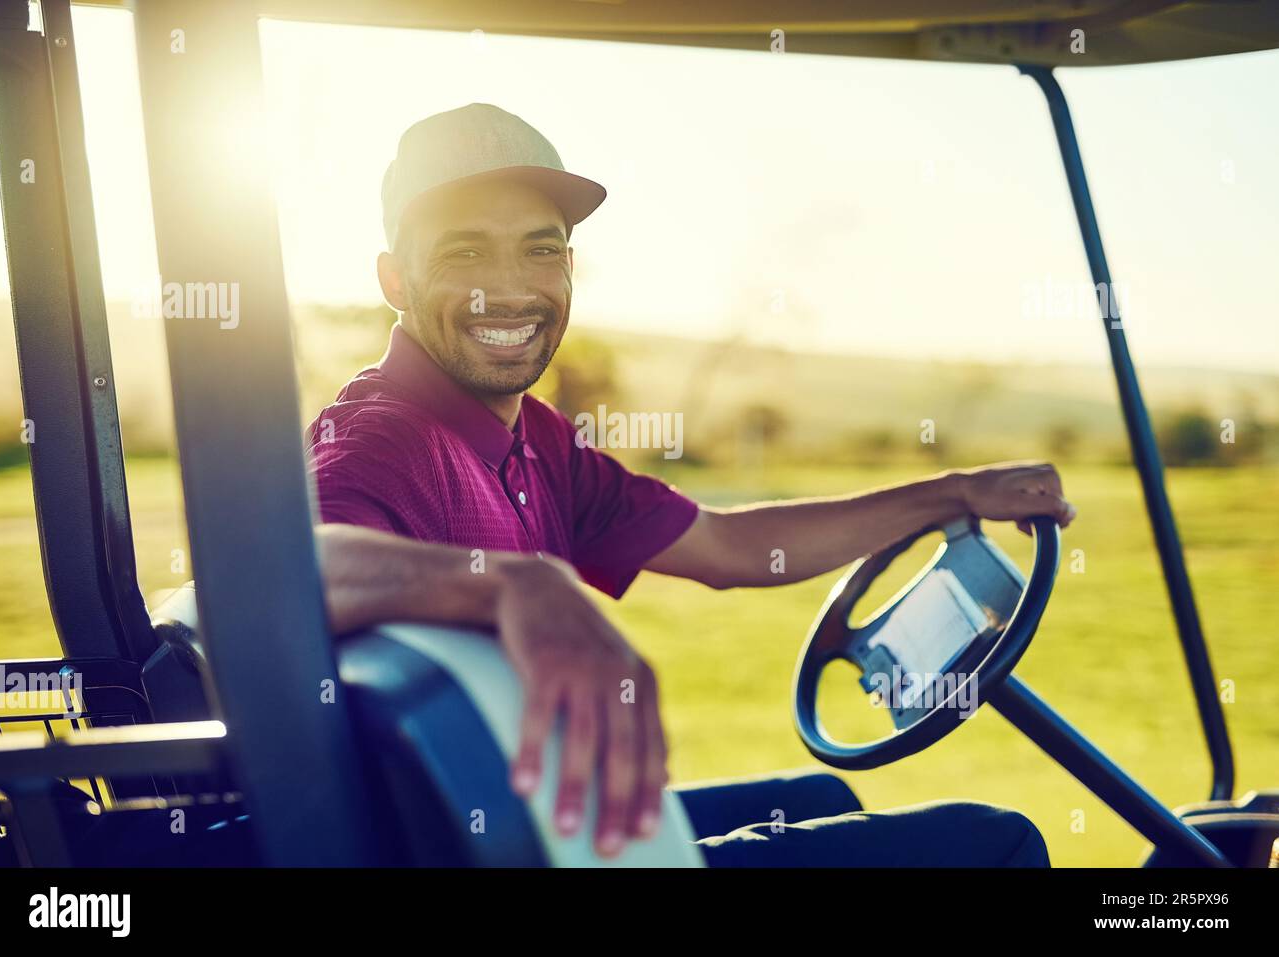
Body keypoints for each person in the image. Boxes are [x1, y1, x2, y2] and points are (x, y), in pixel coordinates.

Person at [307, 104, 1075, 866]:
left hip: (536, 825)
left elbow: (727, 543)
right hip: (508, 845)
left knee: (824, 796)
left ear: (569, 265)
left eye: (540, 249)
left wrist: (954, 494)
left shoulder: (536, 438)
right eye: (465, 253)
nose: (507, 290)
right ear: (396, 279)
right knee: (997, 842)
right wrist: (512, 584)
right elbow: (295, 567)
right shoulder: (380, 436)